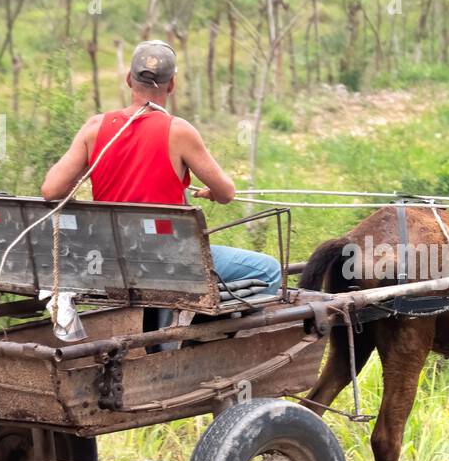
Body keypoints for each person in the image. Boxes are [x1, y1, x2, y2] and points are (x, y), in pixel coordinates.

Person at [41, 39, 282, 297]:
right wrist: (213, 193)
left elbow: (51, 190)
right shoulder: (179, 131)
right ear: (172, 85)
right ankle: (208, 328)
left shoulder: (94, 127)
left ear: (128, 79)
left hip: (109, 259)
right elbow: (227, 193)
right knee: (270, 270)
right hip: (168, 261)